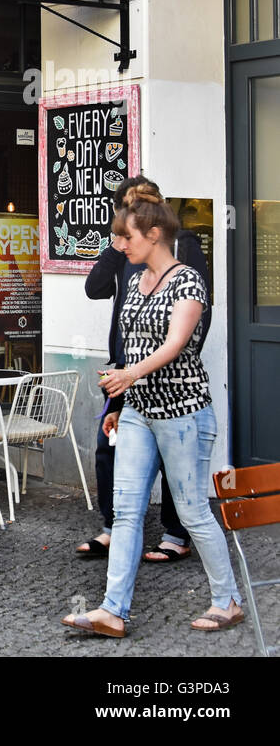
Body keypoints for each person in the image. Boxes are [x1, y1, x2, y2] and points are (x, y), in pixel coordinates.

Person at [62, 190, 242, 638]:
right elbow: (134, 348)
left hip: (183, 413)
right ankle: (112, 610)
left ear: (155, 234)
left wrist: (129, 376)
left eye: (128, 237)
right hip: (140, 412)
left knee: (194, 511)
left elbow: (176, 343)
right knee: (125, 511)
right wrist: (121, 403)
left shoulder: (188, 281)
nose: (122, 245)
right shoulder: (136, 282)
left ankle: (229, 600)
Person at [77, 175, 210, 563]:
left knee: (173, 456)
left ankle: (175, 532)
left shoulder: (182, 247)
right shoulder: (124, 249)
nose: (125, 221)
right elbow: (95, 288)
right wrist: (117, 245)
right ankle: (112, 526)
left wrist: (173, 358)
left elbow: (198, 312)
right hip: (122, 369)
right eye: (123, 214)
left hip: (165, 375)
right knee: (108, 448)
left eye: (132, 214)